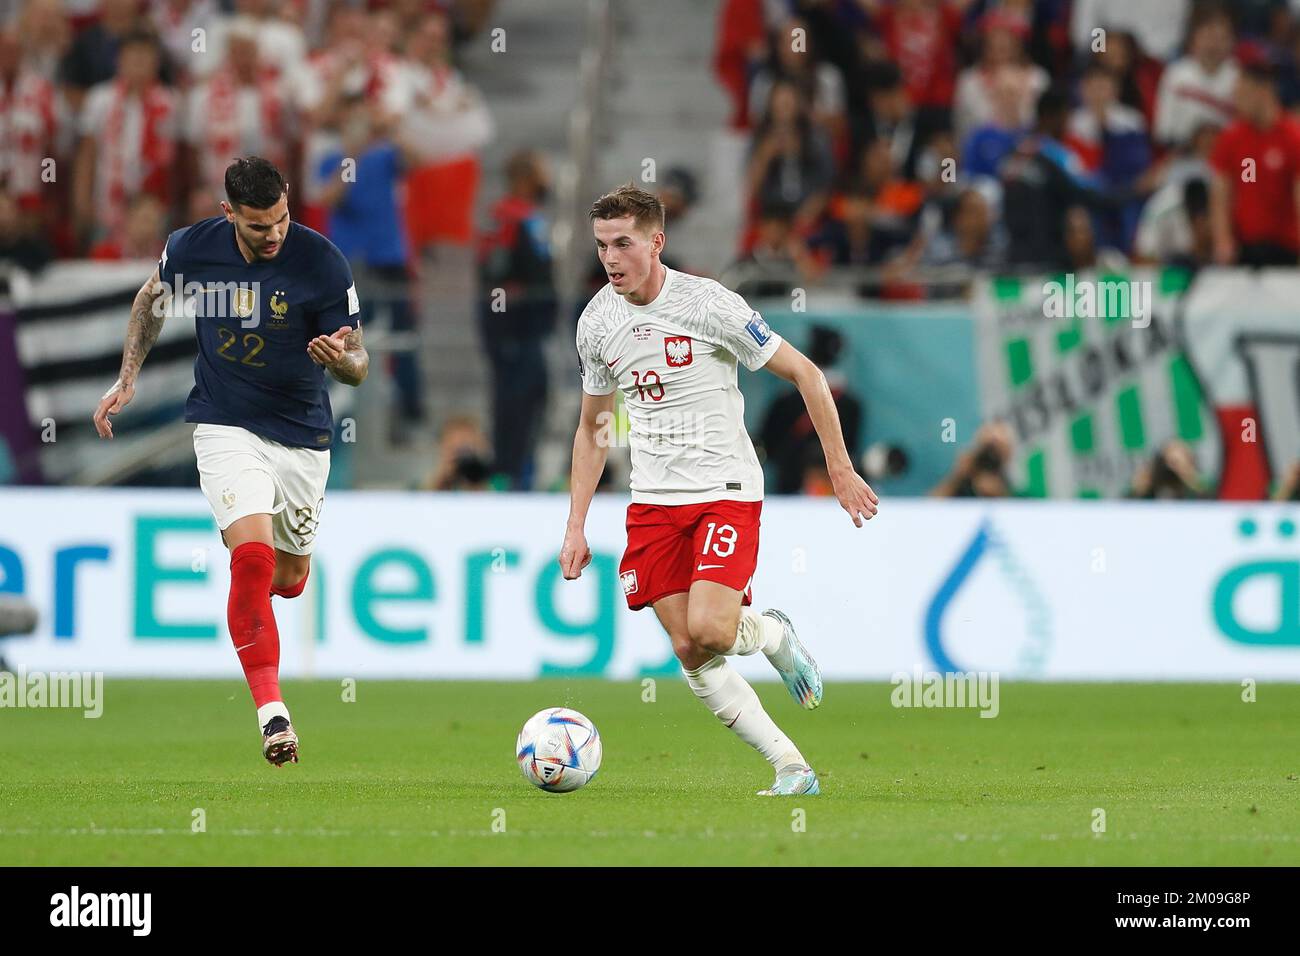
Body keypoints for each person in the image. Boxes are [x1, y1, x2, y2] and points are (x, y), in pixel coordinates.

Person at [559, 184, 878, 797]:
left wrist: (838, 467)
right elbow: (593, 426)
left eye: (623, 243)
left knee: (710, 626)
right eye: (602, 246)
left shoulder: (710, 306)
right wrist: (575, 525)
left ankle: (775, 635)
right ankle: (792, 768)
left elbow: (807, 374)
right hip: (652, 502)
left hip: (725, 487)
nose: (611, 259)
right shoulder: (597, 323)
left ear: (657, 242)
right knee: (688, 647)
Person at [91, 157, 368, 767]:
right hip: (224, 422)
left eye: (281, 220)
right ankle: (273, 716)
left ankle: (255, 611)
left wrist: (338, 360)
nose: (273, 236)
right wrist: (127, 376)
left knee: (288, 580)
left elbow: (359, 363)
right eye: (258, 227)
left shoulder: (321, 261)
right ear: (228, 215)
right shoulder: (193, 249)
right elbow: (150, 298)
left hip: (301, 435)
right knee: (252, 558)